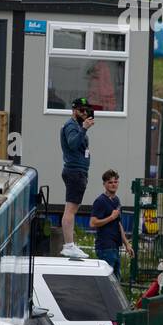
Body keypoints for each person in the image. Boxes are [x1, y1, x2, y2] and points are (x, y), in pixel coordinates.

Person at [58, 98, 95, 259]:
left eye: (86, 110)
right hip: (75, 172)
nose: (84, 113)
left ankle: (70, 244)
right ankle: (69, 245)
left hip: (77, 171)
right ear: (74, 111)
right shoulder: (72, 126)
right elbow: (73, 143)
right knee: (70, 210)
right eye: (81, 110)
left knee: (72, 209)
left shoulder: (76, 126)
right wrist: (84, 129)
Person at [90, 169, 133, 278]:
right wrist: (110, 217)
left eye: (115, 182)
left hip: (115, 246)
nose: (113, 184)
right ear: (104, 184)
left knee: (116, 281)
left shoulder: (116, 200)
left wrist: (127, 244)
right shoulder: (100, 201)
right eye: (110, 182)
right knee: (109, 282)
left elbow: (118, 224)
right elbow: (93, 223)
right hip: (105, 246)